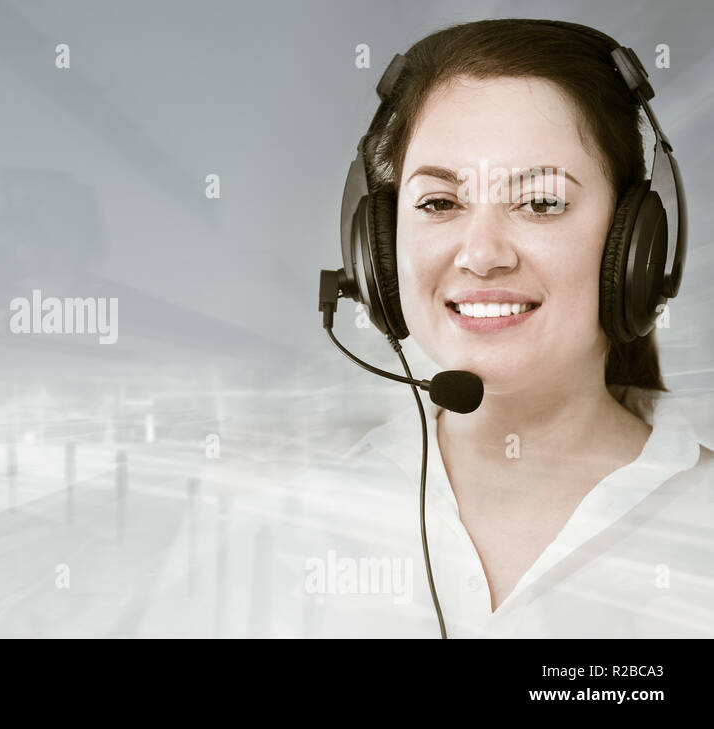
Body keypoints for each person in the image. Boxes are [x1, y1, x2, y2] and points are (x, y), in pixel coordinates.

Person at [295, 19, 714, 637]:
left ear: (637, 249)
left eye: (541, 202)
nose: (483, 254)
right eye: (439, 203)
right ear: (374, 249)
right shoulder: (296, 521)